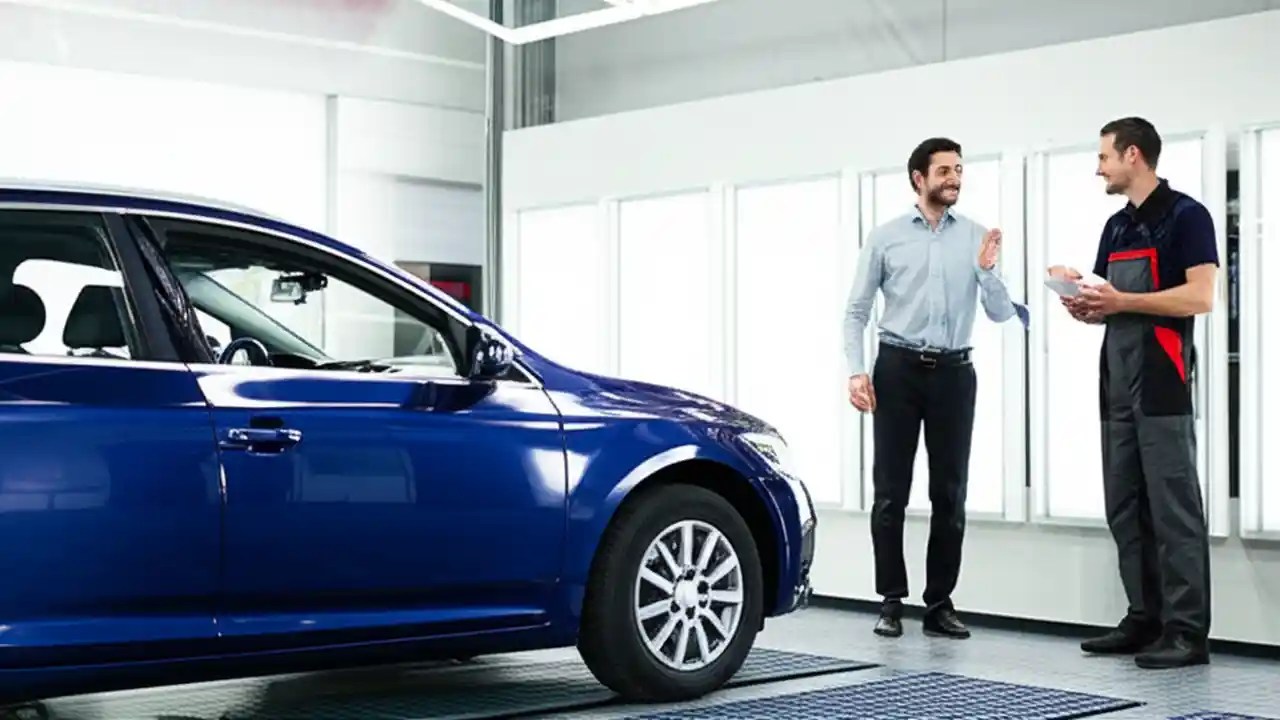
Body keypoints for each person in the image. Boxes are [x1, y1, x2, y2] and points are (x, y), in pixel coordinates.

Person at [843, 137, 1026, 639]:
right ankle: (890, 600)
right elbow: (856, 311)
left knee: (950, 493)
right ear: (918, 179)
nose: (955, 178)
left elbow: (1000, 312)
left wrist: (988, 272)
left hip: (953, 373)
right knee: (890, 493)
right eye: (944, 170)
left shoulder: (975, 236)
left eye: (960, 170)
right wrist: (857, 370)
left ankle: (940, 603)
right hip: (897, 370)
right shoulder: (885, 238)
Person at [1051, 116, 1216, 669]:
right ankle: (1144, 618)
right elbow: (1112, 301)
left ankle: (1187, 632)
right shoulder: (1116, 227)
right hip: (1116, 383)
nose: (1099, 166)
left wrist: (1122, 303)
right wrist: (1086, 300)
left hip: (1164, 382)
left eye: (1104, 157)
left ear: (1134, 156)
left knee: (1174, 512)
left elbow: (1199, 297)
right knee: (1125, 506)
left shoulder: (1188, 217)